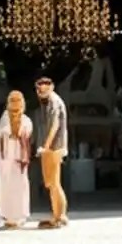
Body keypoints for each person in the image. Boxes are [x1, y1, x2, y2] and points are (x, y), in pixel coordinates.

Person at [33, 75, 70, 229]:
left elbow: (54, 126)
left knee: (55, 183)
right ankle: (56, 215)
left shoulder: (54, 102)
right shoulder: (46, 103)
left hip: (54, 148)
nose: (41, 92)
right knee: (50, 183)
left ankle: (60, 216)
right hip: (49, 148)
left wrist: (46, 147)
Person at [0, 90, 33, 229]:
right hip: (7, 156)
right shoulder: (5, 117)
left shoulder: (26, 120)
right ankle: (7, 215)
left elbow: (27, 134)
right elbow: (2, 133)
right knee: (6, 184)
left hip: (19, 155)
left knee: (20, 184)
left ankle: (20, 214)